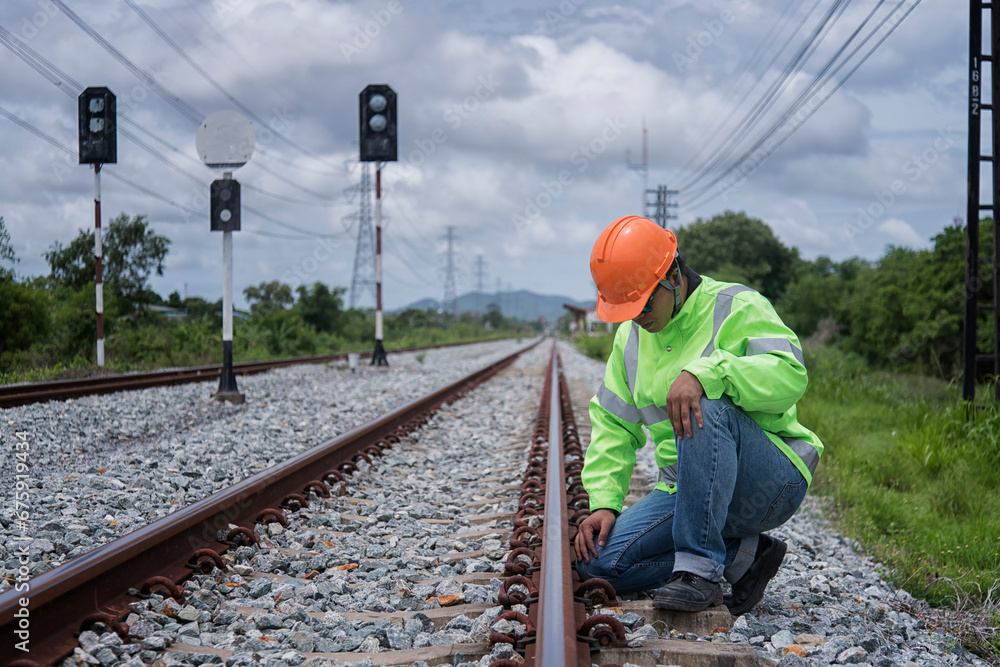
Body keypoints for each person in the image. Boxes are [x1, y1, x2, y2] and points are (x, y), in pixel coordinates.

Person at [573, 215, 823, 615]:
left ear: (673, 275)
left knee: (701, 400)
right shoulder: (631, 340)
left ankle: (700, 572)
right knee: (599, 566)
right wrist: (605, 502)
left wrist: (709, 373)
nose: (639, 317)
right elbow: (613, 423)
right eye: (630, 310)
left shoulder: (737, 306)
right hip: (686, 490)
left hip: (768, 480)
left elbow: (791, 375)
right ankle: (744, 556)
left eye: (645, 303)